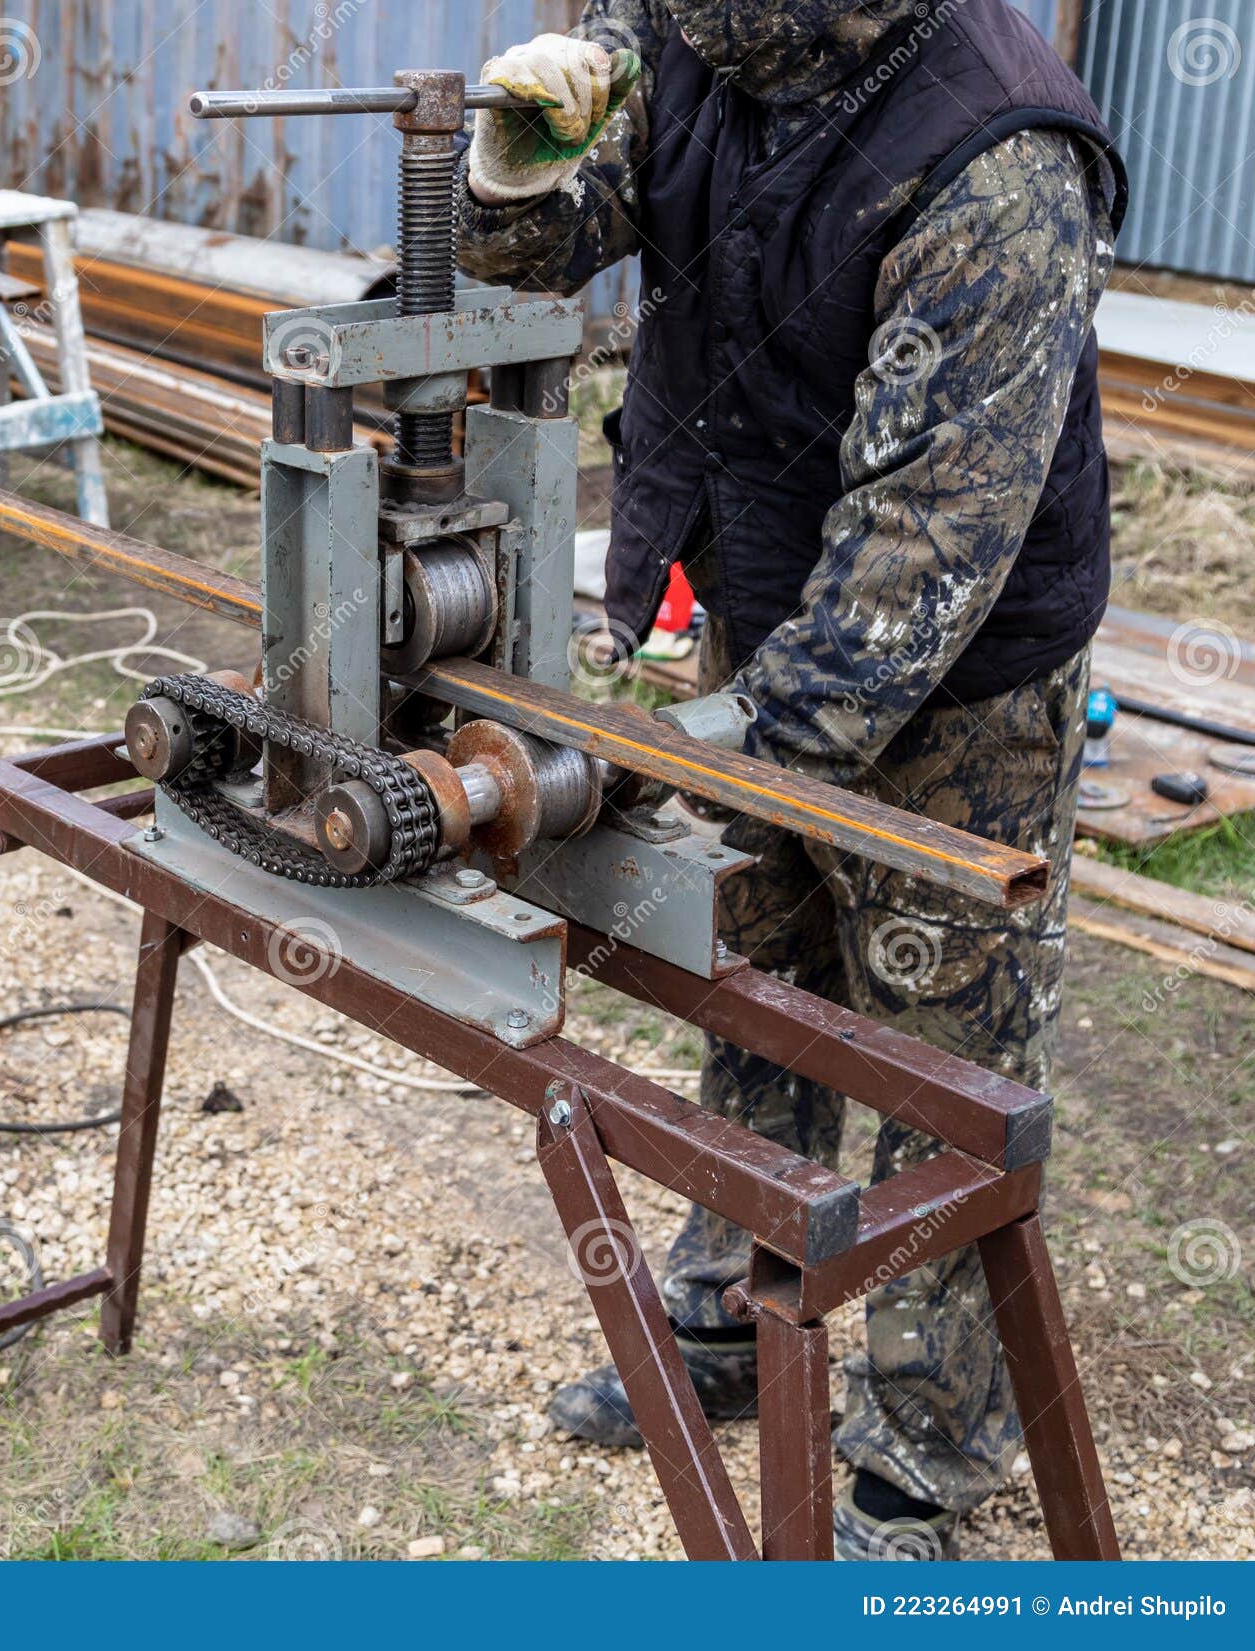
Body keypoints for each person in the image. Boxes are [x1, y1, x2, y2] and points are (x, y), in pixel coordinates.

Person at [457, 0, 1126, 1559]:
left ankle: (920, 1455)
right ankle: (723, 1317)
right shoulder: (698, 35)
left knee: (944, 1057)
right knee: (762, 976)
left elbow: (922, 554)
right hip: (761, 592)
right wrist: (510, 180)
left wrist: (681, 762)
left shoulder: (997, 152)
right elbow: (539, 260)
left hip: (961, 679)